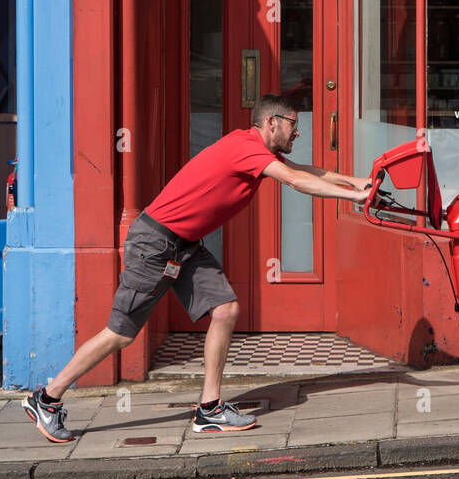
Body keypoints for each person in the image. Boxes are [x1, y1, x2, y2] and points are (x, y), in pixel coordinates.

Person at [23, 94, 372, 442]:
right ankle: (47, 399)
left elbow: (302, 171)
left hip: (184, 246)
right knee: (121, 333)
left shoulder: (258, 151)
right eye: (294, 124)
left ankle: (210, 409)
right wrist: (353, 198)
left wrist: (355, 181)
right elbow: (296, 181)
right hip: (155, 245)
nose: (297, 132)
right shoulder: (246, 147)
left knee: (225, 309)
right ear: (272, 122)